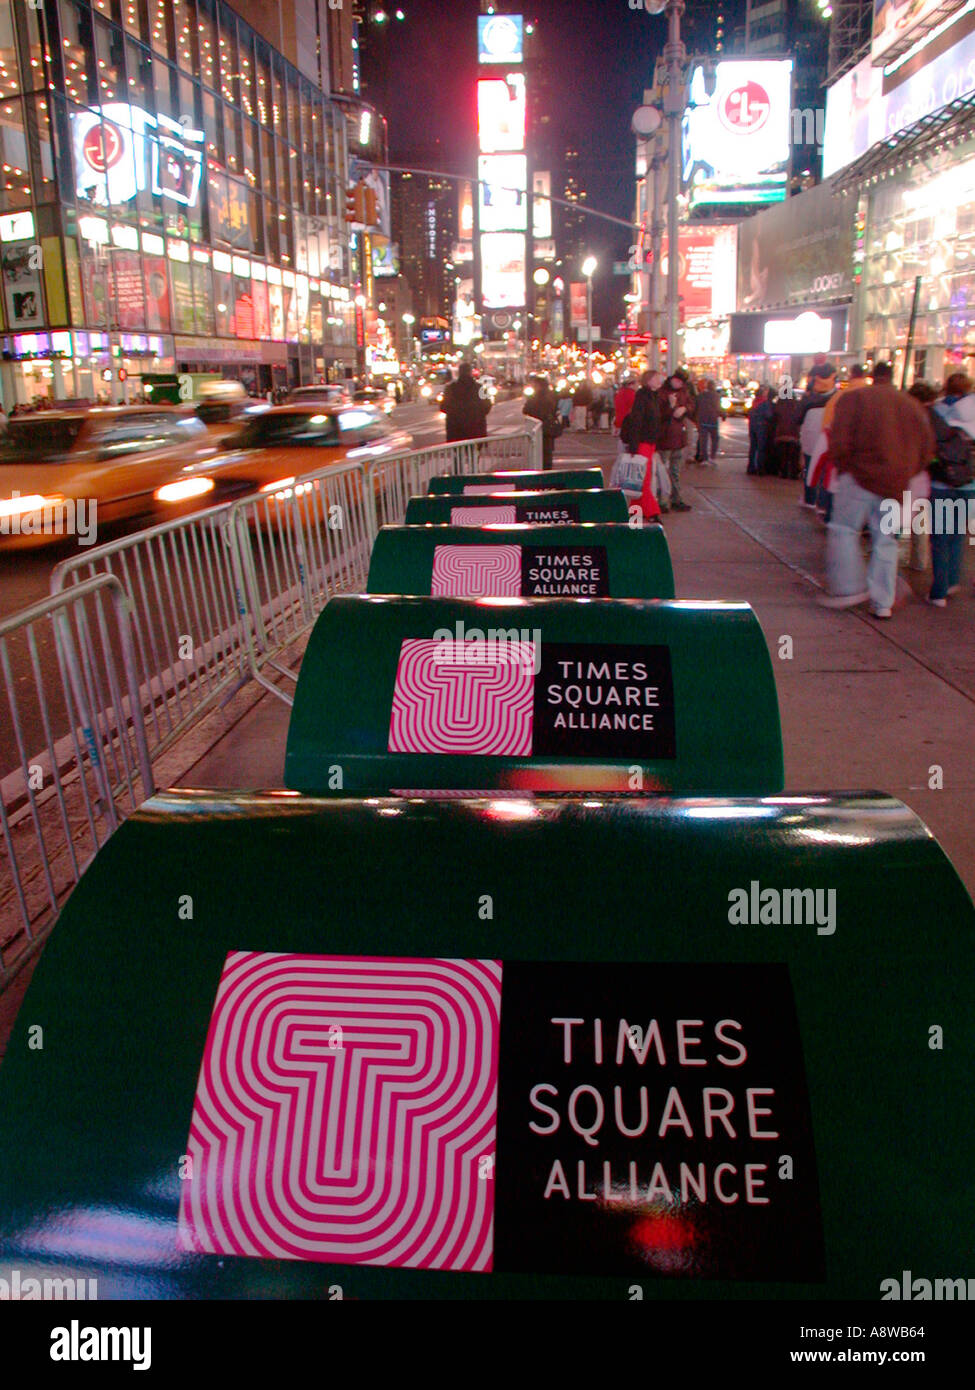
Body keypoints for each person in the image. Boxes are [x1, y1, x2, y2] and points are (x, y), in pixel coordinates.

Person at [819, 361, 935, 619]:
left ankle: (850, 588)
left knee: (844, 530)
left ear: (873, 376)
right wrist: (906, 472)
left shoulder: (855, 399)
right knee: (886, 541)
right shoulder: (911, 406)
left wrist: (845, 465)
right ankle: (883, 602)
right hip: (895, 483)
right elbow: (927, 449)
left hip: (858, 478)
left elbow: (839, 438)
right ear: (891, 377)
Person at [927, 375, 975, 606]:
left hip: (942, 484)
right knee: (957, 534)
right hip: (969, 484)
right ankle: (953, 581)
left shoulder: (938, 411)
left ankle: (938, 592)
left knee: (940, 538)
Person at [797, 368, 838, 508]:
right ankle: (821, 502)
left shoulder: (808, 400)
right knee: (826, 473)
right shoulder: (838, 399)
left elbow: (797, 419)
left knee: (811, 469)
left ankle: (810, 499)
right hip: (828, 441)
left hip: (811, 440)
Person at [655, 373, 693, 512]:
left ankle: (675, 498)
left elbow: (691, 406)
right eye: (676, 381)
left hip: (678, 437)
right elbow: (658, 415)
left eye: (680, 382)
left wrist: (685, 409)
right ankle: (662, 500)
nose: (678, 384)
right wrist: (671, 408)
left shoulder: (683, 393)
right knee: (662, 470)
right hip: (664, 437)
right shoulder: (661, 394)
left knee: (675, 470)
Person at [440, 361, 490, 442]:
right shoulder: (479, 388)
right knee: (474, 452)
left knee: (459, 452)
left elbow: (443, 407)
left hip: (456, 429)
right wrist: (477, 414)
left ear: (459, 372)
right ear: (470, 372)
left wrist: (455, 414)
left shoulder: (451, 388)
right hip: (476, 428)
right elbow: (487, 406)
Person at [522, 375, 561, 470]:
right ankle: (547, 472)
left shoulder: (536, 398)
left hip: (540, 429)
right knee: (547, 455)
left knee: (539, 454)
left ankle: (541, 475)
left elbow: (527, 409)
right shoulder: (551, 395)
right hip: (548, 429)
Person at [771, 390, 803, 479]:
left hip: (781, 433)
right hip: (793, 433)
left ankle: (783, 472)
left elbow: (774, 417)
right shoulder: (796, 405)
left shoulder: (779, 405)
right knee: (793, 456)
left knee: (783, 455)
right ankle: (793, 473)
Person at [748, 387, 774, 475]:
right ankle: (760, 467)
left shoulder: (754, 402)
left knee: (753, 447)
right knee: (761, 448)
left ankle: (751, 467)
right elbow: (768, 415)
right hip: (761, 427)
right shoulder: (764, 403)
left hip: (752, 427)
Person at [695, 379, 722, 464]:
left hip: (702, 420)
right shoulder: (717, 396)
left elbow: (696, 407)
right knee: (715, 438)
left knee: (703, 440)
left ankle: (704, 458)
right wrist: (723, 414)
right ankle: (712, 456)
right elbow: (718, 408)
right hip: (713, 420)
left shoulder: (701, 395)